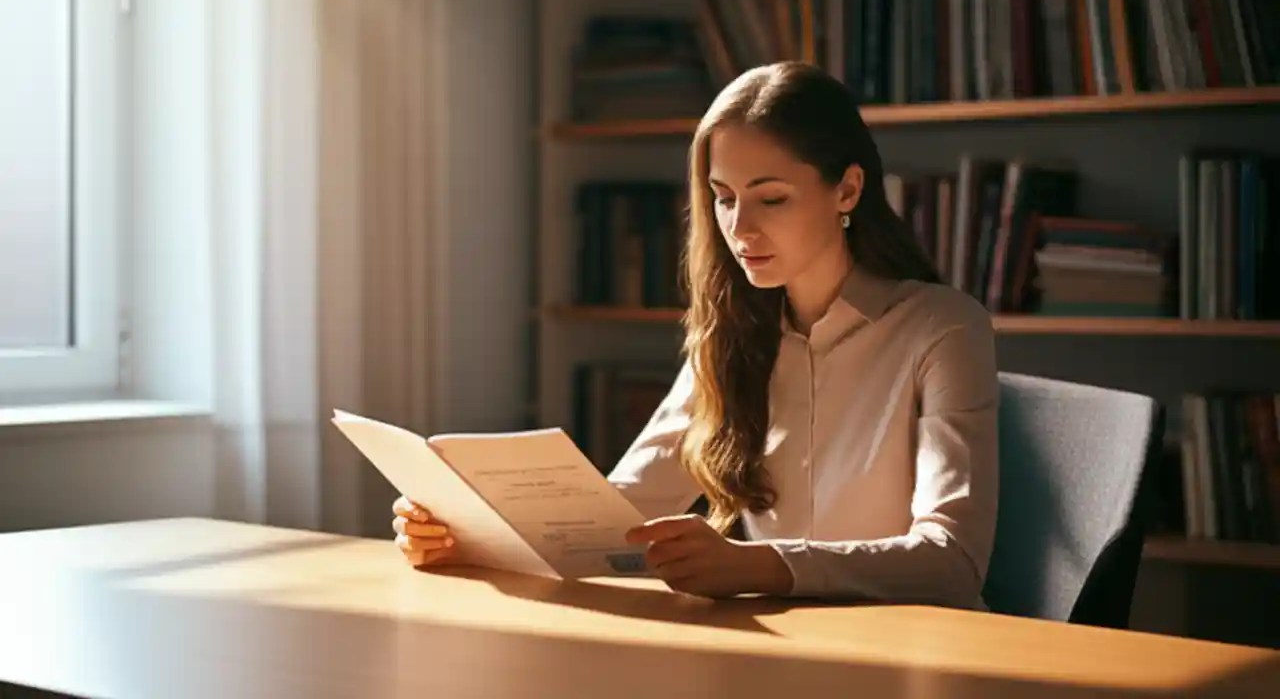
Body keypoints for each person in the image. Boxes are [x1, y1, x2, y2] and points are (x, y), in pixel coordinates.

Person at [392, 61, 998, 610]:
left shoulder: (942, 327)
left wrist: (756, 564)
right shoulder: (732, 333)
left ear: (847, 189)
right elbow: (613, 521)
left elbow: (952, 563)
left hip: (913, 659)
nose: (740, 229)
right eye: (724, 198)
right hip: (783, 660)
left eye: (772, 199)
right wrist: (464, 535)